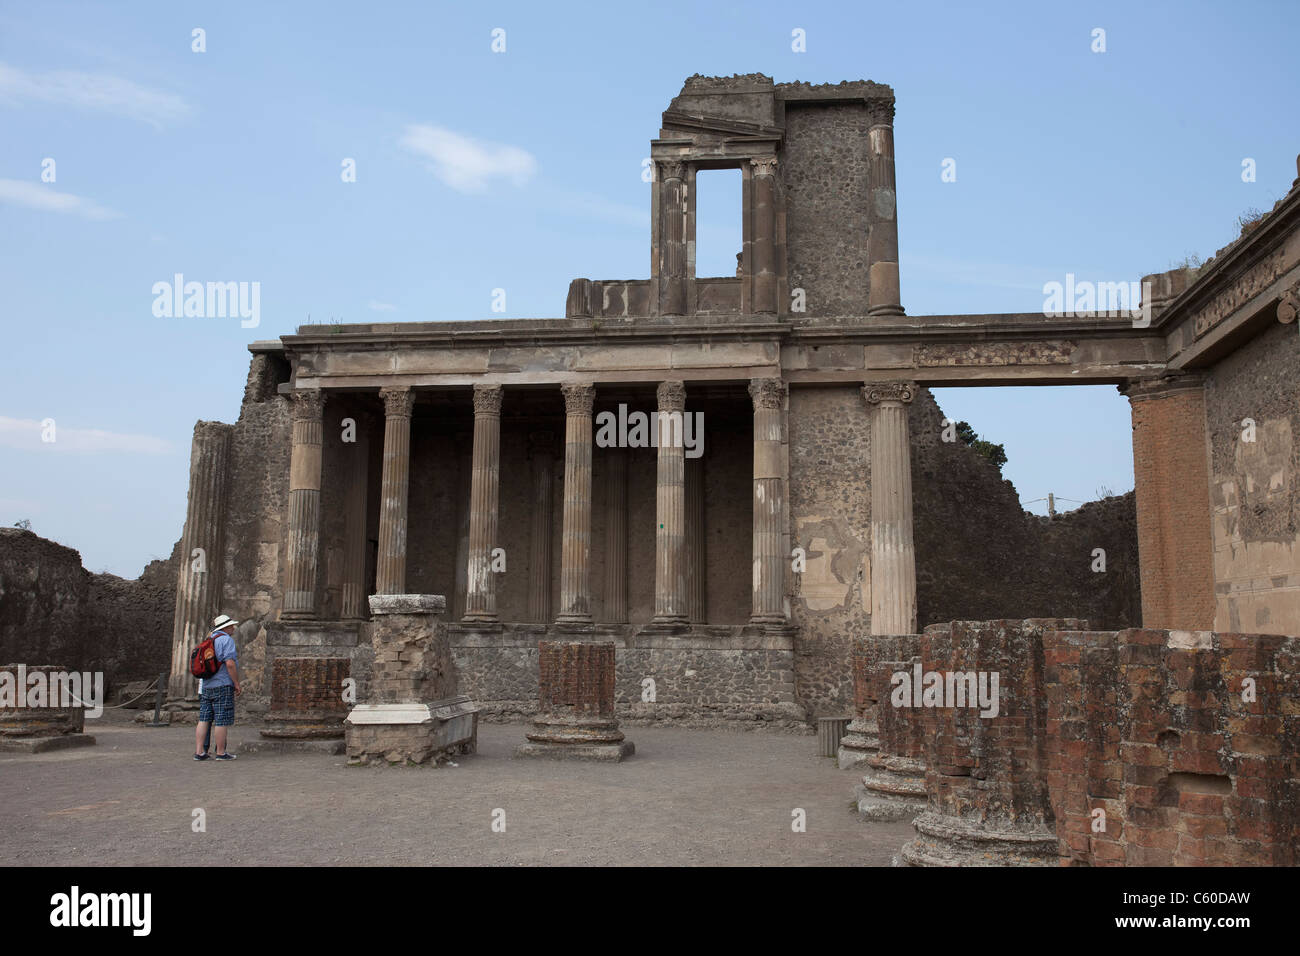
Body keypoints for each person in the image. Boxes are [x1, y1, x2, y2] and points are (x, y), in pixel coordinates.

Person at [194, 614, 241, 761]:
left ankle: (199, 751)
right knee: (221, 719)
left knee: (204, 718)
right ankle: (220, 752)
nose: (233, 628)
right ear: (225, 627)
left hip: (207, 684)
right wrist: (236, 683)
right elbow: (230, 664)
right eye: (231, 626)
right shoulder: (226, 640)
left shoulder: (209, 640)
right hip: (222, 684)